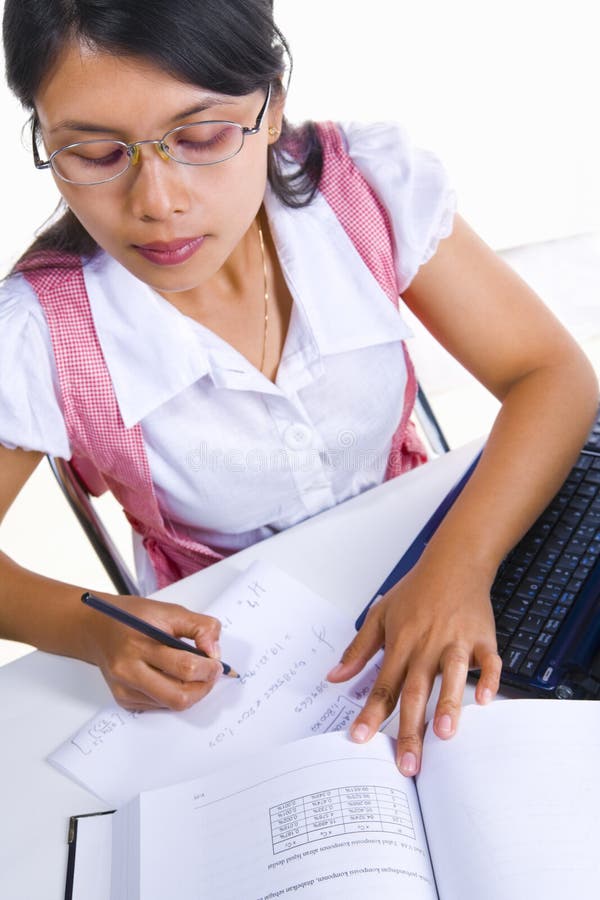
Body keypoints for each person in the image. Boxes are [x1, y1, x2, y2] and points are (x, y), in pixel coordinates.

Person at [0, 0, 597, 778]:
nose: (157, 202)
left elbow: (550, 374)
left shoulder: (362, 193)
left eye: (203, 137)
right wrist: (91, 630)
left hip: (440, 551)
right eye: (93, 153)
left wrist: (457, 569)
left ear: (273, 107)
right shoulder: (42, 332)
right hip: (243, 671)